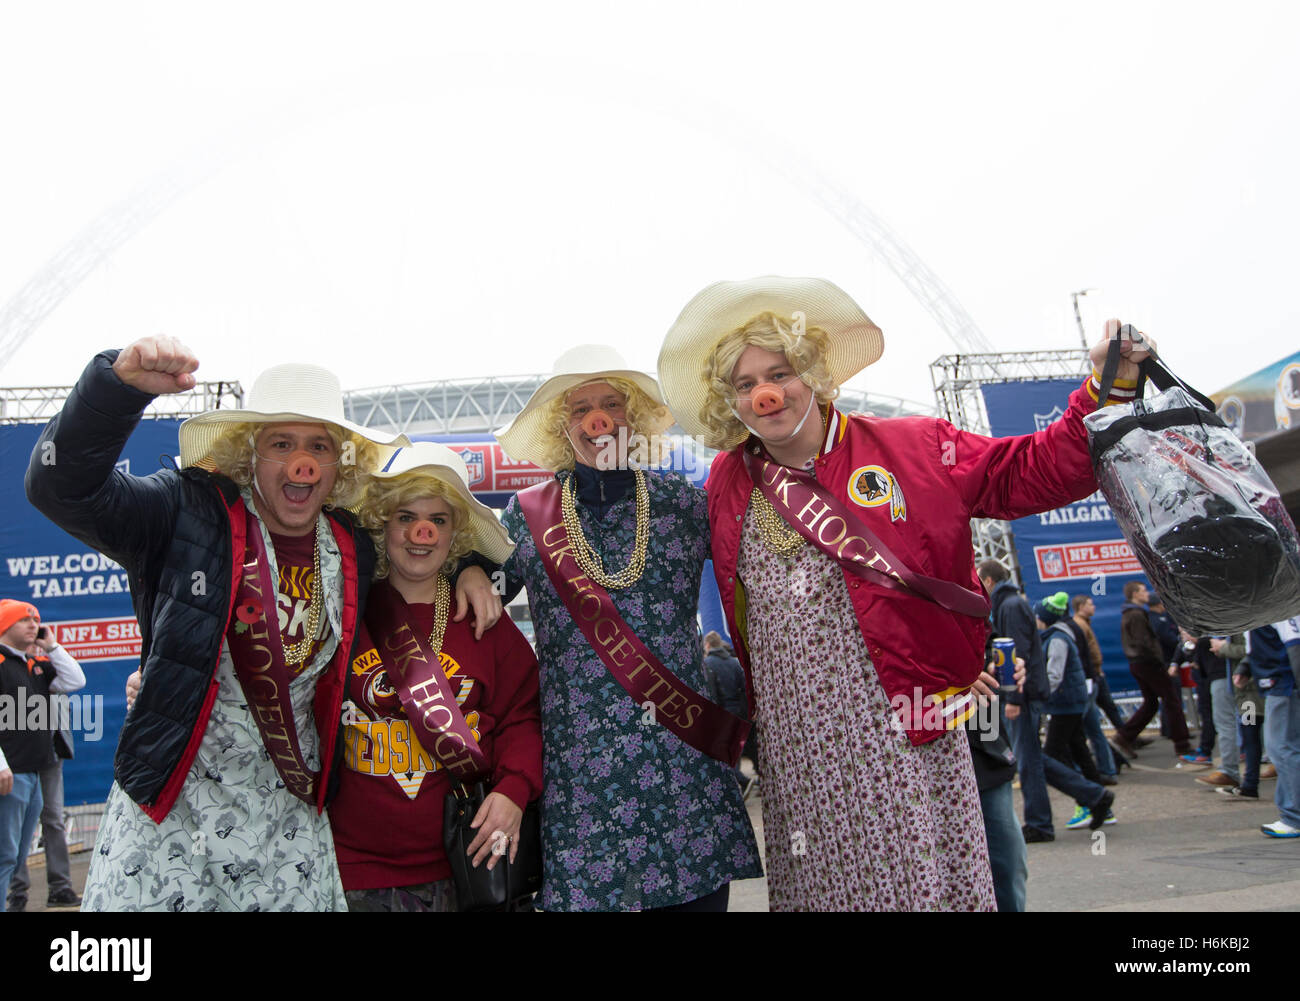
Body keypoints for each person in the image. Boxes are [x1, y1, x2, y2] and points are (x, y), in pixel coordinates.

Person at [657, 276, 1151, 909]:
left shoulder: (913, 446)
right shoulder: (727, 479)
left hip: (902, 724)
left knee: (916, 889)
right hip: (797, 746)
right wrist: (482, 562)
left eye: (777, 372)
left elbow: (1036, 469)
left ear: (811, 372)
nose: (764, 393)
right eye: (745, 384)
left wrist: (1108, 387)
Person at [24, 337, 498, 911]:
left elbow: (425, 543)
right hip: (171, 812)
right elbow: (61, 489)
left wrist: (470, 566)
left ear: (334, 461)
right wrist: (113, 391)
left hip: (286, 822)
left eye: (318, 446)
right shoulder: (183, 513)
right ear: (252, 455)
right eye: (282, 443)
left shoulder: (352, 546)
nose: (302, 462)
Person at [495, 345, 762, 912]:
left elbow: (768, 571)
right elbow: (464, 604)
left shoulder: (684, 506)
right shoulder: (526, 514)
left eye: (611, 403)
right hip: (584, 789)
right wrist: (472, 571)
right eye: (581, 408)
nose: (598, 419)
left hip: (685, 775)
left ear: (632, 417)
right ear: (561, 428)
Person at [331, 443, 542, 910]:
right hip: (356, 870)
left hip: (468, 868)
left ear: (454, 535)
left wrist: (514, 790)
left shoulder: (483, 618)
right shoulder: (347, 611)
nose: (421, 532)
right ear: (382, 524)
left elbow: (522, 715)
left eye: (438, 521)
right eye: (405, 516)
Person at [0, 601, 86, 913]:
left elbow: (76, 680)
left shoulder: (35, 662)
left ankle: (57, 889)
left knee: (38, 831)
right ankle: (15, 897)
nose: (33, 625)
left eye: (35, 619)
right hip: (11, 768)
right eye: (24, 620)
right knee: (7, 846)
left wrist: (51, 645)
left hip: (41, 762)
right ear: (5, 626)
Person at [1036, 598, 1115, 831]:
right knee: (1080, 751)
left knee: (1052, 756)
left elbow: (1054, 675)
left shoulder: (1058, 638)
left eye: (1038, 616)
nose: (1036, 621)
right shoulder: (1059, 635)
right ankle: (1099, 802)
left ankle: (1089, 799)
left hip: (1065, 703)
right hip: (1069, 702)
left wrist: (1038, 696)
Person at [1114, 581, 1192, 757]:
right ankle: (1182, 744)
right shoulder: (1135, 615)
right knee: (1171, 700)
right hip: (1147, 663)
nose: (1147, 594)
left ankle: (1125, 736)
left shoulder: (1134, 613)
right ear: (1134, 594)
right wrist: (1158, 661)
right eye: (1142, 591)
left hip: (1140, 663)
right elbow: (1144, 642)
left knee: (1151, 703)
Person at [1243, 620, 1300, 837]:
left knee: (1275, 745)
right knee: (1251, 735)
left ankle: (1248, 782)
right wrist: (1245, 667)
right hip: (1254, 693)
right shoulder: (1259, 611)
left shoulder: (1274, 610)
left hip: (1269, 690)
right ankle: (1248, 782)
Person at [701, 631, 750, 791]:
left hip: (722, 712)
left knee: (724, 752)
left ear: (707, 645)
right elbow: (744, 688)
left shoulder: (707, 663)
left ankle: (741, 781)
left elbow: (712, 692)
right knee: (735, 748)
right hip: (738, 711)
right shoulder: (733, 662)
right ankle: (740, 780)